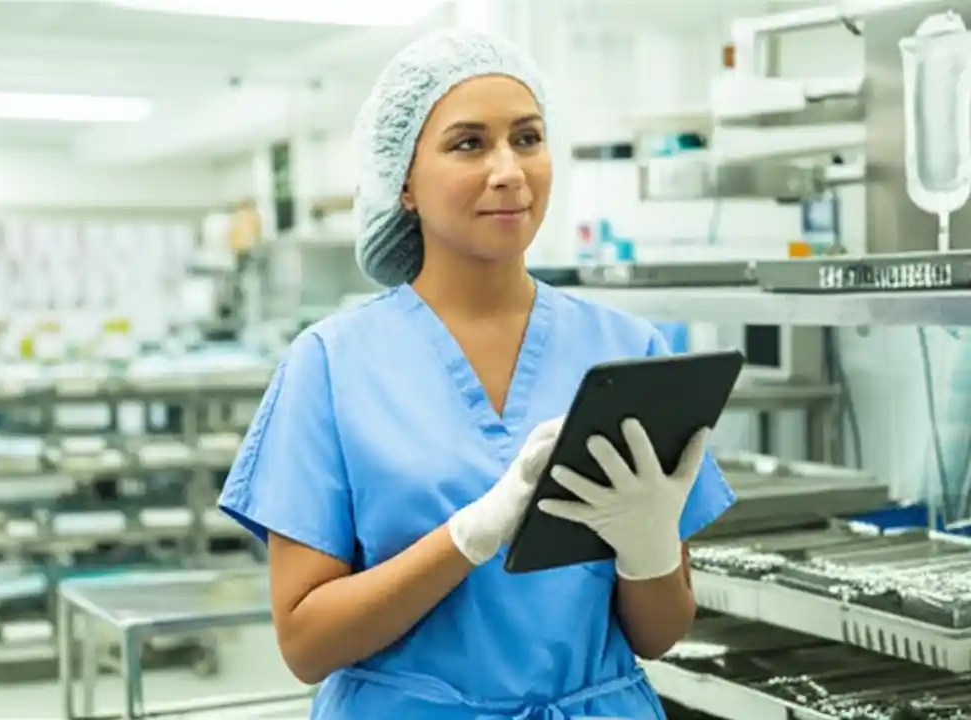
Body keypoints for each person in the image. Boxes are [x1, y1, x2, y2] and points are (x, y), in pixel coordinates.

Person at [218, 28, 735, 720]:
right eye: (469, 143)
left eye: (527, 138)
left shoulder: (624, 350)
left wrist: (648, 552)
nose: (509, 171)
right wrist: (468, 538)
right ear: (403, 181)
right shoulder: (332, 365)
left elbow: (660, 633)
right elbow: (306, 644)